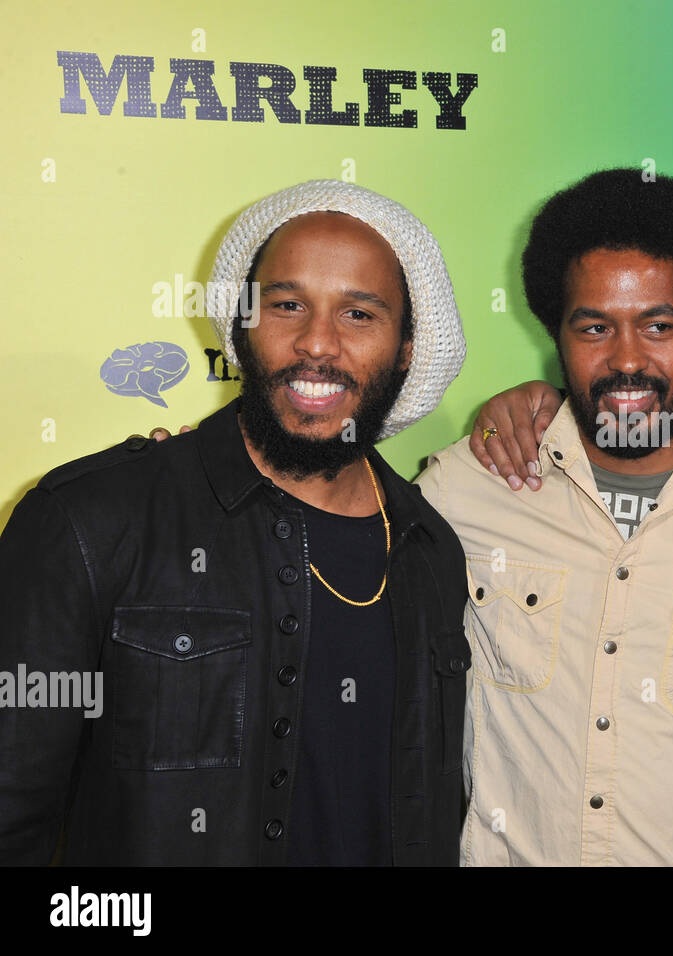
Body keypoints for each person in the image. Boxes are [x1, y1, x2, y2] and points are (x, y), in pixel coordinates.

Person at [0, 180, 471, 865]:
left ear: (406, 348)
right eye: (287, 305)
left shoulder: (432, 549)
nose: (317, 344)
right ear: (243, 322)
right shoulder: (90, 520)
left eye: (360, 315)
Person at [416, 168, 673, 866]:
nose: (627, 360)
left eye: (658, 325)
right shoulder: (465, 489)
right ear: (556, 331)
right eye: (594, 327)